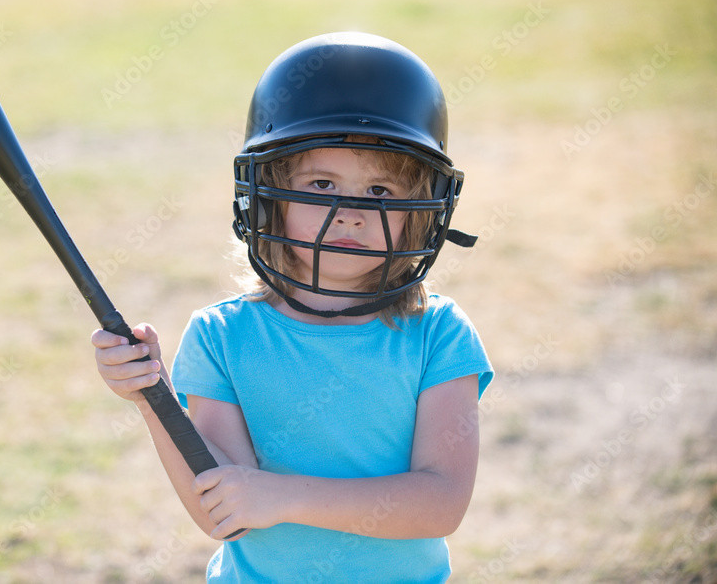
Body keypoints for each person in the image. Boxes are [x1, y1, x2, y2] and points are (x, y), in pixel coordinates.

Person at [92, 32, 494, 582]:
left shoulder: (438, 334)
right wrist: (150, 398)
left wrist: (281, 496)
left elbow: (440, 503)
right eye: (322, 183)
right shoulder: (221, 336)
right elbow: (225, 513)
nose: (350, 211)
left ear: (421, 209)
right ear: (270, 195)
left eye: (380, 192)